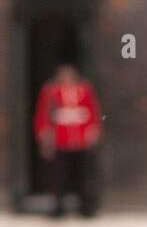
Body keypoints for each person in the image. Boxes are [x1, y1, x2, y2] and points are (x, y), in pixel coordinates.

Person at [33, 64, 102, 218]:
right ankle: (58, 207)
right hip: (60, 140)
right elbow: (43, 114)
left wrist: (93, 130)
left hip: (81, 140)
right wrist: (44, 136)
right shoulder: (51, 92)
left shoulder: (84, 90)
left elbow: (93, 110)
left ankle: (85, 206)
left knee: (82, 175)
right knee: (59, 176)